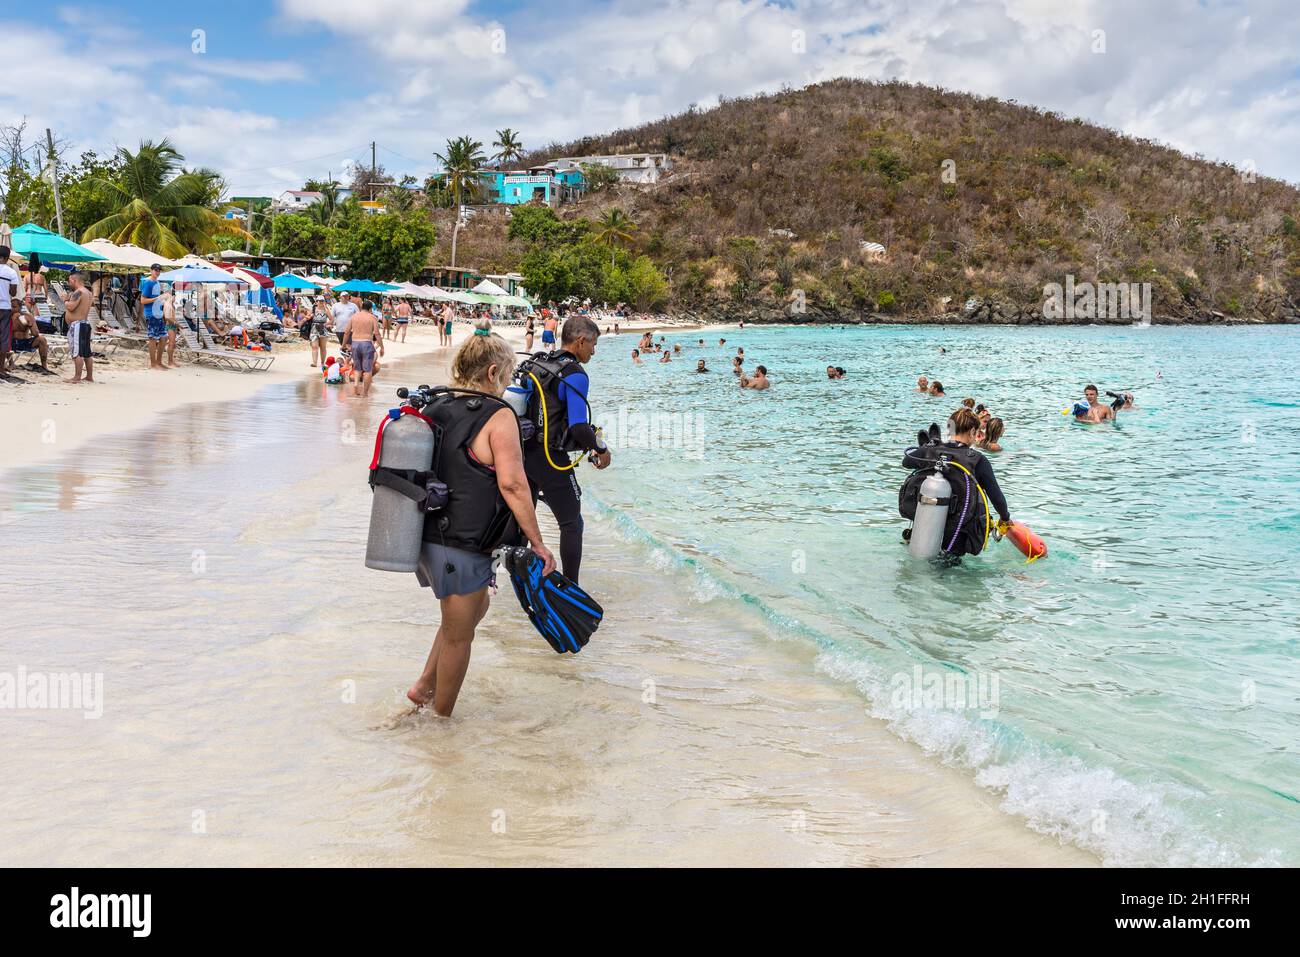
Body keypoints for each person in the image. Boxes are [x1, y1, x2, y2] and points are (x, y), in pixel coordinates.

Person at [404, 321, 557, 717]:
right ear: (493, 373)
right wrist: (538, 542)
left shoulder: (435, 405)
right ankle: (440, 724)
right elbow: (513, 485)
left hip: (426, 538)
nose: (506, 386)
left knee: (472, 614)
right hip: (462, 545)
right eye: (506, 377)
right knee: (459, 637)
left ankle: (424, 687)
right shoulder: (498, 415)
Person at [521, 314, 609, 583]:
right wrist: (601, 448)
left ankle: (503, 575)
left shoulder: (539, 363)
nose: (593, 351)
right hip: (551, 458)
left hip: (522, 454)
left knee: (523, 519)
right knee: (572, 524)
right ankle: (571, 586)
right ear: (581, 341)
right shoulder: (575, 374)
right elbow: (578, 428)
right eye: (593, 345)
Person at [903, 408, 1011, 556]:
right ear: (973, 431)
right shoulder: (977, 459)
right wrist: (1005, 518)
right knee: (948, 566)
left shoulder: (932, 451)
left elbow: (907, 461)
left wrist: (929, 447)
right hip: (957, 532)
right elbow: (996, 496)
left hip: (925, 525)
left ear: (949, 428)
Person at [344, 300, 383, 398]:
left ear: (361, 307)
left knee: (357, 368)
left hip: (355, 343)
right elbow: (377, 333)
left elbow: (347, 332)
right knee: (367, 370)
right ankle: (365, 393)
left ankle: (356, 384)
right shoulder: (372, 317)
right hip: (366, 343)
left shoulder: (354, 316)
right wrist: (382, 347)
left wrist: (343, 344)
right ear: (370, 309)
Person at [61, 271, 94, 384]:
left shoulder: (78, 292)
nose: (69, 283)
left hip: (77, 325)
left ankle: (77, 377)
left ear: (74, 280)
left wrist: (65, 299)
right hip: (85, 323)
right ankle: (89, 376)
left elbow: (71, 307)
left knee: (77, 352)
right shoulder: (88, 292)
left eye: (70, 281)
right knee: (87, 352)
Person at [139, 264, 168, 371]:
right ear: (151, 270)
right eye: (155, 270)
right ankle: (153, 363)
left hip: (158, 313)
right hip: (151, 314)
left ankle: (159, 362)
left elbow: (156, 298)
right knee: (152, 338)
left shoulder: (157, 282)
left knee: (164, 337)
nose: (157, 272)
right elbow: (143, 301)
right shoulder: (148, 283)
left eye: (159, 270)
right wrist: (157, 298)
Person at [7, 304, 51, 374]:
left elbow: (35, 333)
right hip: (11, 342)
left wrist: (30, 323)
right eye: (11, 307)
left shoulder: (27, 316)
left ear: (20, 307)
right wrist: (13, 320)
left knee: (42, 339)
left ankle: (44, 366)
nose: (12, 309)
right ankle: (11, 363)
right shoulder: (6, 316)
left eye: (14, 307)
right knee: (4, 339)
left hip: (25, 342)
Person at [0, 246, 19, 378]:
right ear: (7, 258)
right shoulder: (11, 272)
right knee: (3, 339)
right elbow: (13, 292)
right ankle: (1, 368)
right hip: (4, 308)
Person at [308, 298, 331, 368]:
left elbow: (332, 319)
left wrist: (326, 324)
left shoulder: (326, 310)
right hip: (314, 328)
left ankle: (322, 362)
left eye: (322, 301)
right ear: (316, 302)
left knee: (323, 347)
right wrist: (308, 316)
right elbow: (308, 316)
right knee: (314, 346)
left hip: (323, 329)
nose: (321, 302)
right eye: (319, 301)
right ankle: (314, 363)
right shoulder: (313, 309)